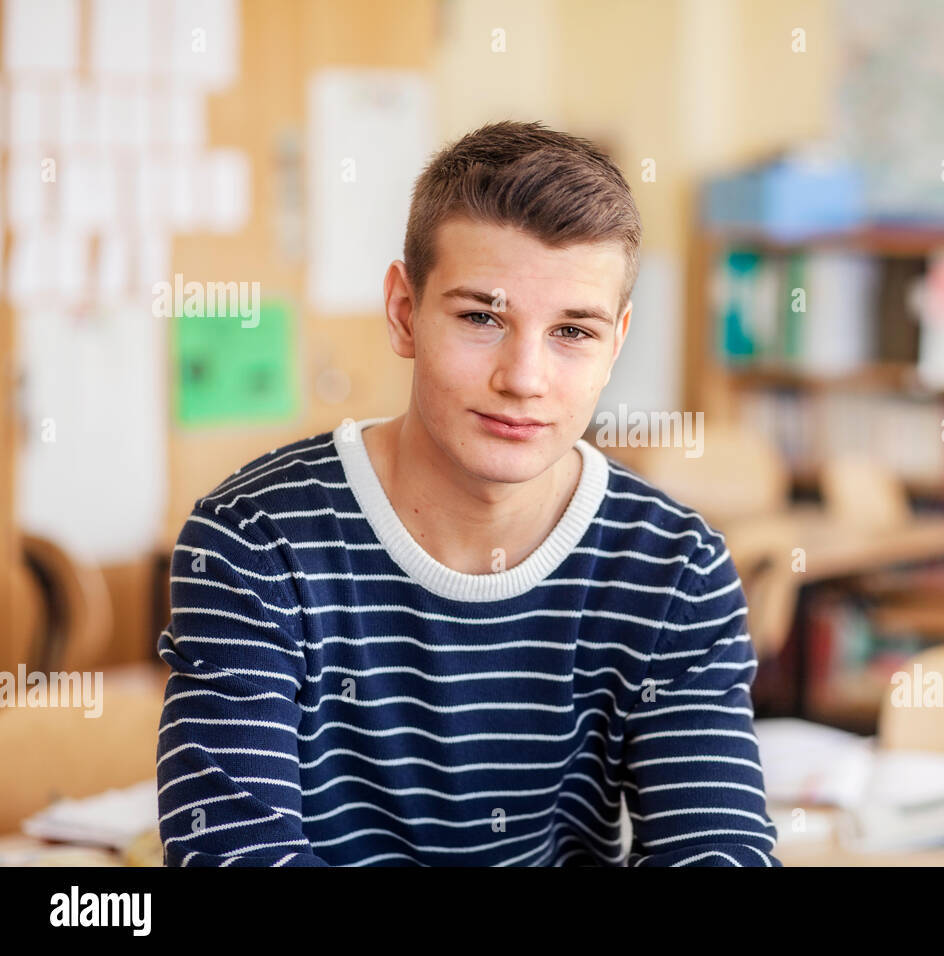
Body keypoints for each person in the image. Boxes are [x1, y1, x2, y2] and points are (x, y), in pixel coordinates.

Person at [155, 120, 781, 867]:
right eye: (482, 317)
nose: (523, 378)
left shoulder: (677, 566)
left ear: (616, 342)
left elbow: (718, 854)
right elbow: (234, 859)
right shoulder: (254, 542)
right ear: (403, 311)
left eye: (572, 332)